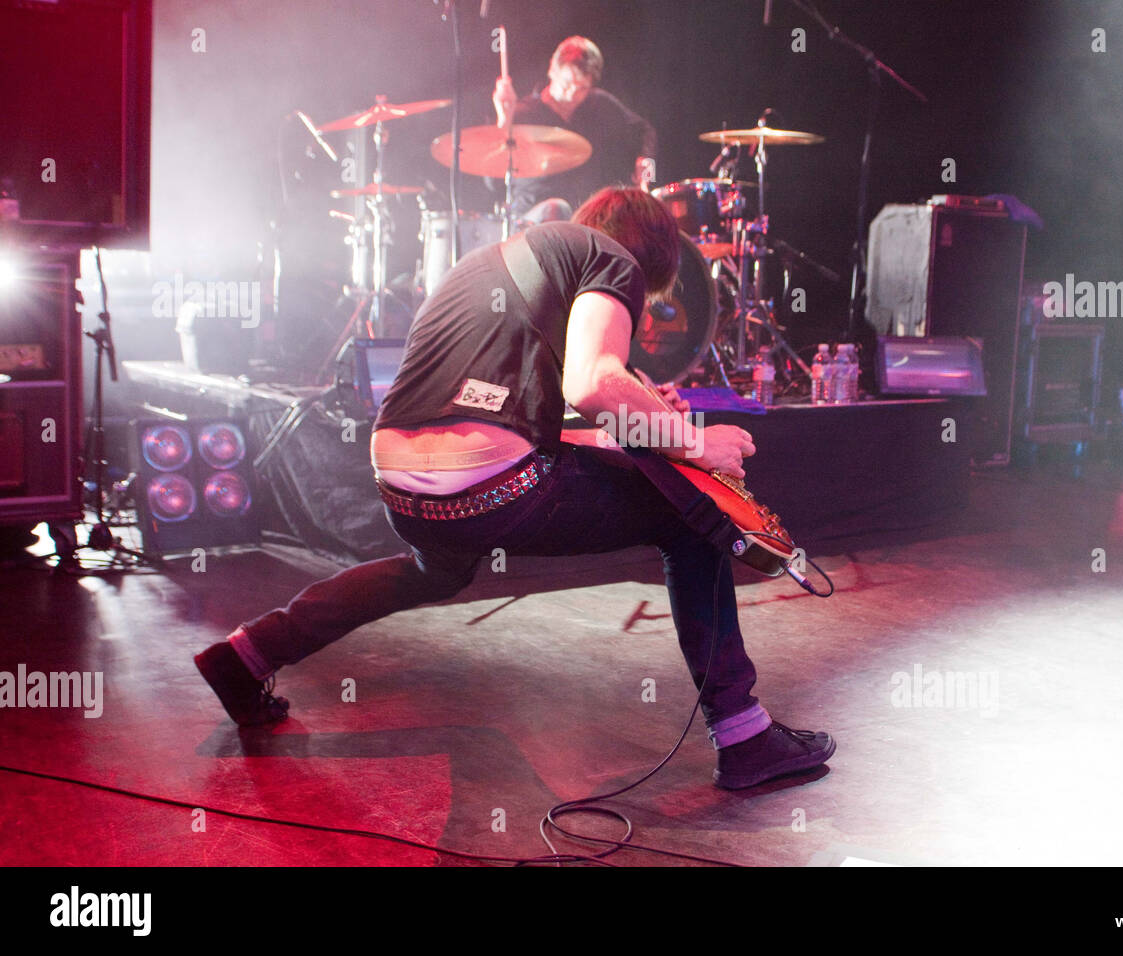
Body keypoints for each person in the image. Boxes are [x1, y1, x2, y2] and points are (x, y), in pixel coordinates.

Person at [195, 187, 834, 790]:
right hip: (488, 479)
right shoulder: (611, 259)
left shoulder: (491, 266)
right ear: (653, 259)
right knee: (686, 518)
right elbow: (592, 384)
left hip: (400, 480)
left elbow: (543, 423)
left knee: (432, 572)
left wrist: (640, 423)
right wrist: (693, 442)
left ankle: (247, 653)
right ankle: (745, 737)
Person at [493, 36, 656, 222]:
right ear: (552, 70)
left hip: (586, 218)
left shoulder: (599, 104)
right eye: (566, 84)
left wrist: (648, 166)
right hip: (530, 220)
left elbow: (645, 131)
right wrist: (504, 121)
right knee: (556, 209)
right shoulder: (522, 113)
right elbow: (492, 182)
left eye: (582, 89)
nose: (572, 95)